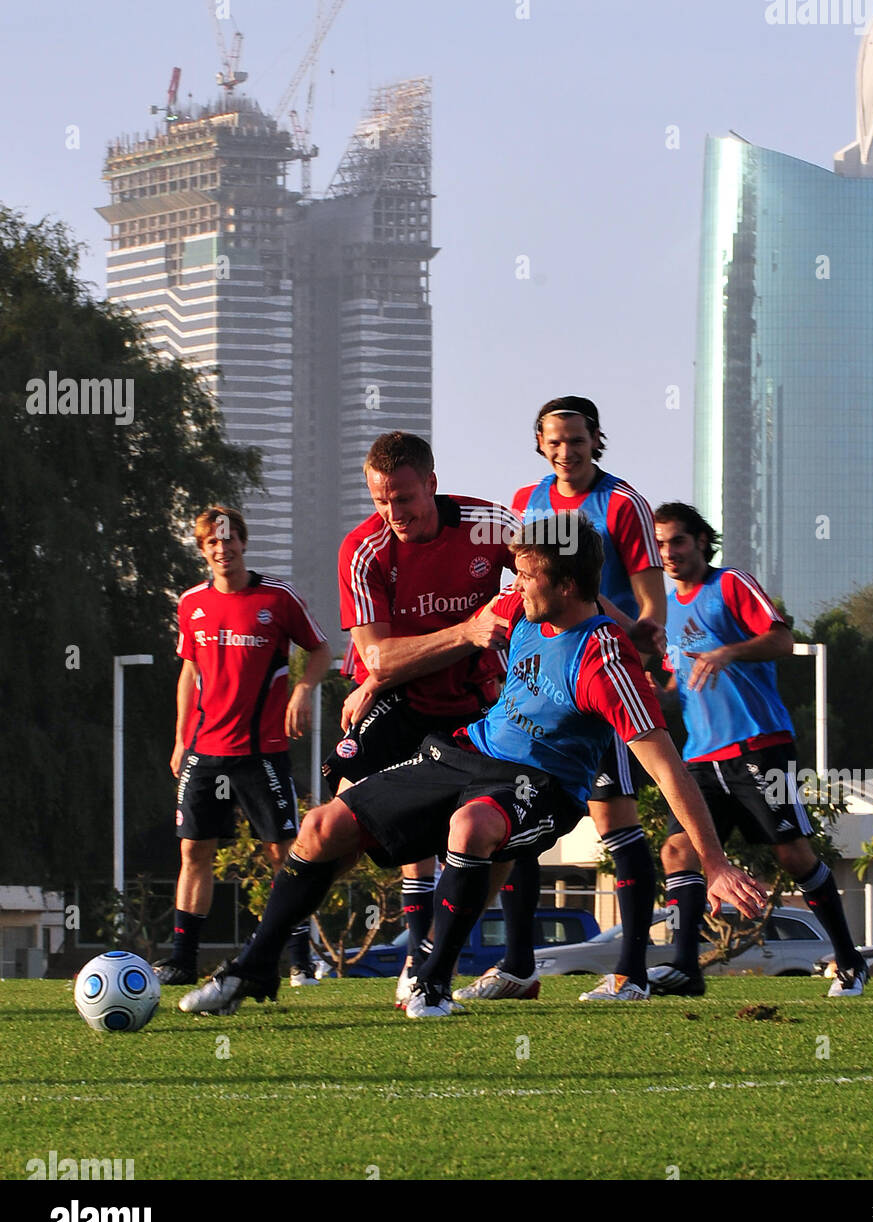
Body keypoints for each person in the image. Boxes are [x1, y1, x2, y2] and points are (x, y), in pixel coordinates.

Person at [179, 516, 766, 1020]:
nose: (514, 583)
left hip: (543, 786)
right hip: (469, 753)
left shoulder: (605, 662)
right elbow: (469, 632)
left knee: (472, 828)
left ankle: (432, 984)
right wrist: (376, 680)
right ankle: (253, 971)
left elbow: (668, 769)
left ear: (563, 584)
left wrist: (714, 863)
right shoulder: (523, 605)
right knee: (320, 828)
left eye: (527, 573)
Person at [456, 396, 665, 1003]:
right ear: (540, 444)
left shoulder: (623, 504)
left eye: (577, 440)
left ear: (597, 440)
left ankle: (632, 974)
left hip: (599, 679)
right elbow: (519, 588)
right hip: (536, 684)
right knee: (516, 820)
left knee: (613, 819)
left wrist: (616, 623)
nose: (566, 451)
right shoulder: (525, 502)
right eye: (555, 441)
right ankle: (519, 969)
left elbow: (651, 617)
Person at [646, 502, 870, 999]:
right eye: (660, 544)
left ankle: (850, 961)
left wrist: (729, 650)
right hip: (701, 757)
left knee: (792, 855)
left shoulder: (731, 585)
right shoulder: (662, 606)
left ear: (702, 541)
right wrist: (654, 693)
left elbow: (782, 640)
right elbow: (680, 684)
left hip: (759, 746)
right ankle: (685, 969)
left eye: (678, 541)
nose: (669, 552)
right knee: (679, 849)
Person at [320, 431, 515, 1000]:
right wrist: (464, 633)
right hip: (395, 697)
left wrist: (620, 630)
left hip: (473, 701)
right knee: (336, 821)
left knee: (506, 829)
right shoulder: (363, 548)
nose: (392, 512)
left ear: (431, 484)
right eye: (380, 500)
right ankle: (282, 945)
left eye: (403, 498)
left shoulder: (489, 523)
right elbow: (378, 653)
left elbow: (546, 575)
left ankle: (437, 958)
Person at [155, 506, 331, 987]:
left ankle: (300, 961)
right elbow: (188, 673)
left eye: (230, 539)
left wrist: (302, 690)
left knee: (286, 855)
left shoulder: (277, 597)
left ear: (243, 543)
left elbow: (320, 649)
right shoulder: (190, 602)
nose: (222, 548)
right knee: (194, 852)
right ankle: (182, 961)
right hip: (204, 752)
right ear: (202, 548)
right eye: (212, 541)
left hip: (262, 752)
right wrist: (180, 739)